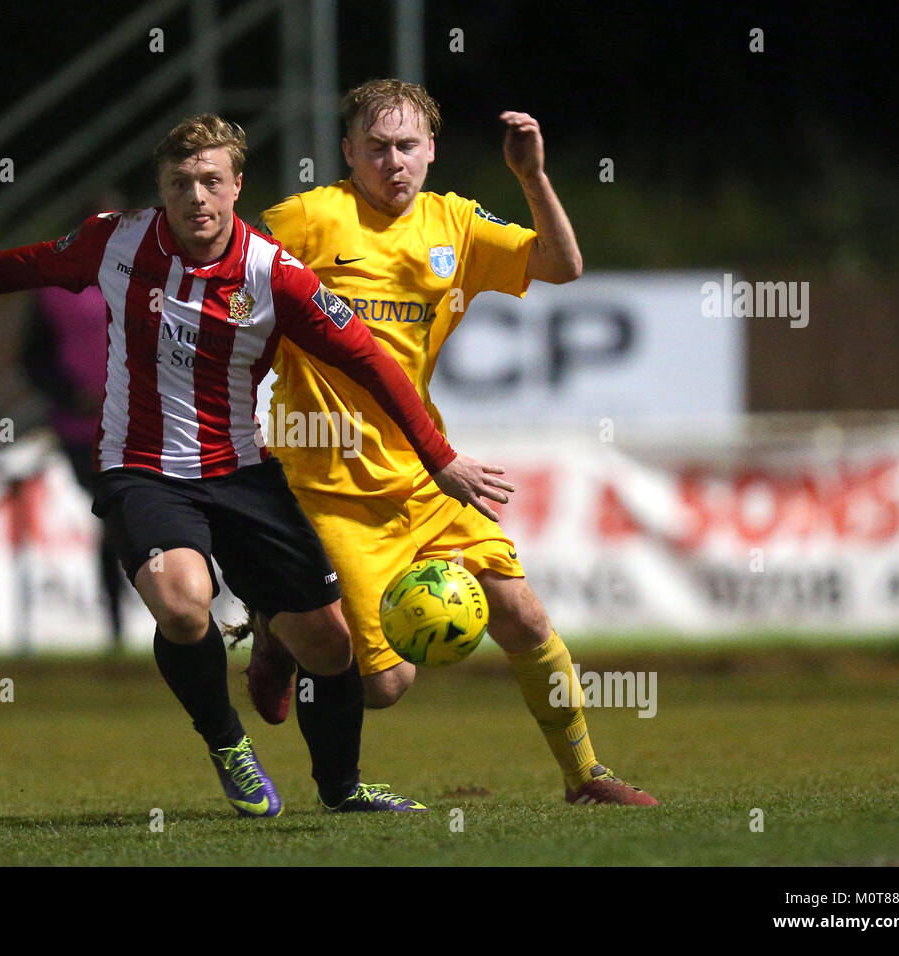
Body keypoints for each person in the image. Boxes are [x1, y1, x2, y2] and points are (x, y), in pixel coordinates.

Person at [0, 113, 513, 816]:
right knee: (184, 603)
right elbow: (28, 264)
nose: (197, 197)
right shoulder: (117, 240)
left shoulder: (275, 274)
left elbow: (371, 361)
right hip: (140, 468)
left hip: (241, 472)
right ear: (161, 190)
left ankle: (342, 790)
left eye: (211, 182)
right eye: (181, 182)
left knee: (328, 643)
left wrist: (440, 459)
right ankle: (227, 742)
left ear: (236, 186)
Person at [248, 79, 657, 806]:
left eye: (407, 145)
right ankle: (280, 628)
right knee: (384, 685)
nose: (392, 161)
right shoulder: (307, 219)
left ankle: (585, 776)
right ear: (348, 152)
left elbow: (563, 267)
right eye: (375, 147)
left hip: (428, 472)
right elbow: (227, 297)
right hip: (327, 485)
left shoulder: (456, 225)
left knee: (524, 614)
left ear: (432, 151)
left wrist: (531, 176)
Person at [18, 247, 127, 648]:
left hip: (139, 426)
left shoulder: (146, 279)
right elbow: (32, 359)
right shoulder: (53, 292)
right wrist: (70, 395)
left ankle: (125, 623)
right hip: (82, 431)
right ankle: (117, 623)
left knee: (123, 517)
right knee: (117, 513)